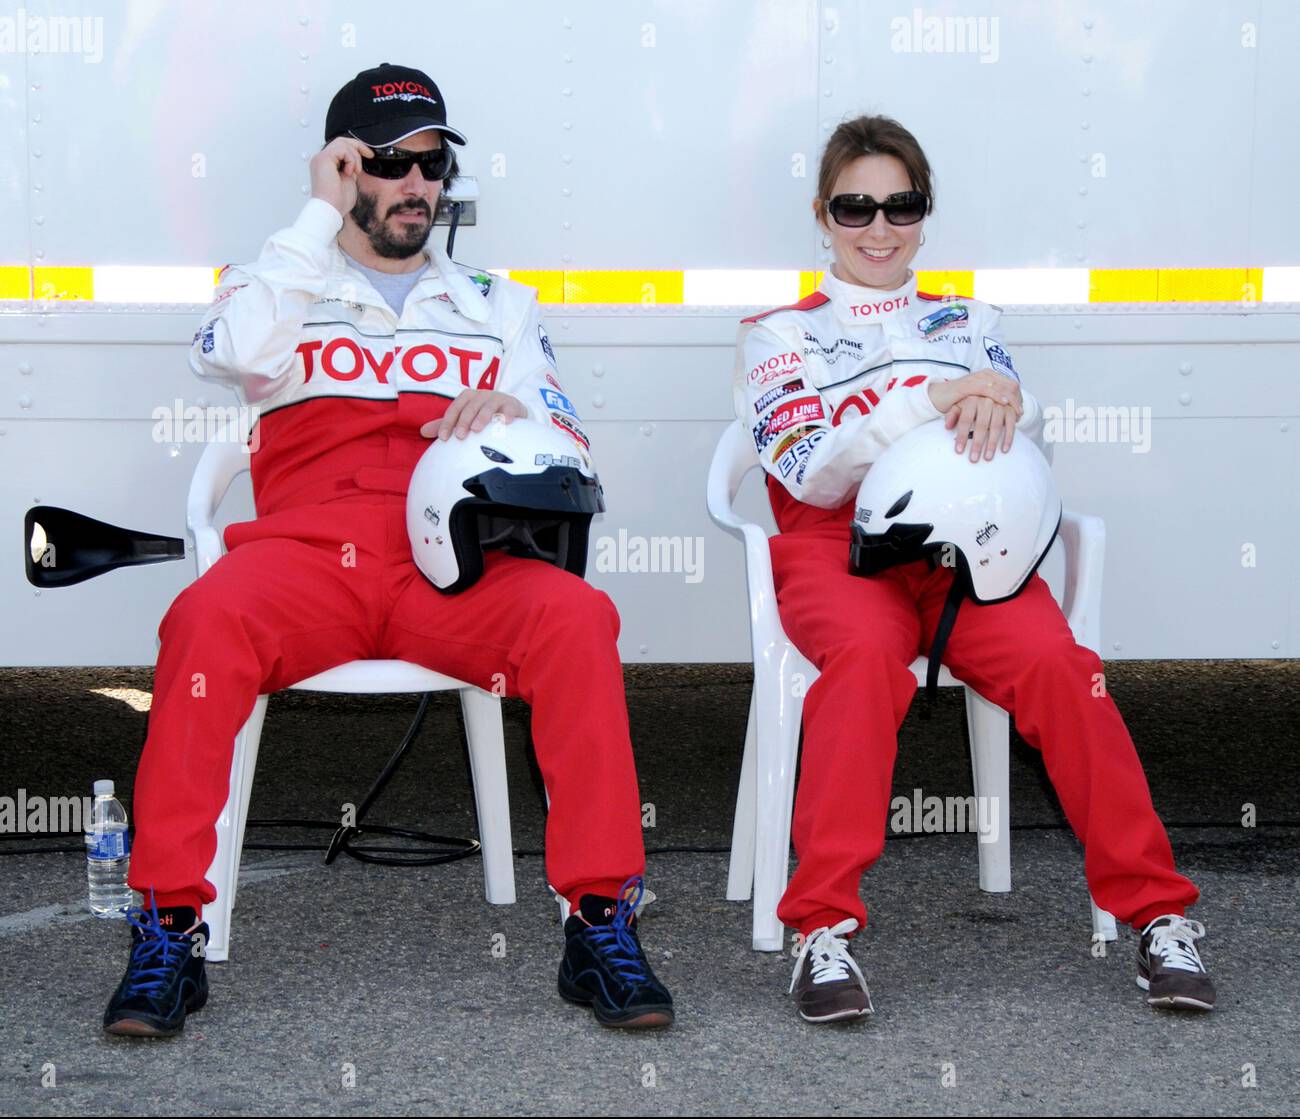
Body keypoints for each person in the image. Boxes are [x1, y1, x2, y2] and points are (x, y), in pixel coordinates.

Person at [103, 63, 673, 1036]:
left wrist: (518, 415)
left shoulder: (498, 302)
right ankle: (167, 928)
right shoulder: (276, 279)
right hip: (305, 554)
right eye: (388, 161)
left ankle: (599, 923)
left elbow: (571, 442)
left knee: (579, 617)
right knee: (202, 618)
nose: (416, 183)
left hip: (452, 562)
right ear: (340, 168)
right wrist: (315, 222)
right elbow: (226, 352)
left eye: (431, 163)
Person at [731, 114, 1214, 1023]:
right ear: (822, 215)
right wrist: (931, 401)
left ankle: (1158, 914)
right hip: (839, 552)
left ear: (925, 212)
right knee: (867, 665)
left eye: (901, 205)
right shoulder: (775, 336)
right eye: (856, 206)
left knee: (1067, 670)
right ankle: (822, 930)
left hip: (972, 553)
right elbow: (810, 468)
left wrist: (1005, 407)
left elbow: (1020, 426)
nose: (880, 228)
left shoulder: (968, 321)